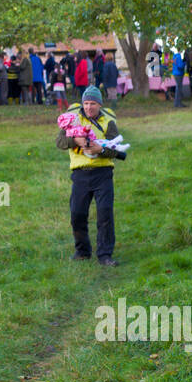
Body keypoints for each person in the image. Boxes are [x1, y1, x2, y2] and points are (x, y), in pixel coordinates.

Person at [55, 86, 126, 266]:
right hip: (80, 174)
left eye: (92, 103)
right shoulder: (73, 119)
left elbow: (116, 149)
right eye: (86, 103)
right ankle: (82, 251)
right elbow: (60, 142)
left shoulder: (108, 121)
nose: (88, 107)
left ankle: (105, 255)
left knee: (105, 214)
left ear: (100, 104)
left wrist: (100, 149)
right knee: (77, 214)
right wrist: (77, 140)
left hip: (103, 173)